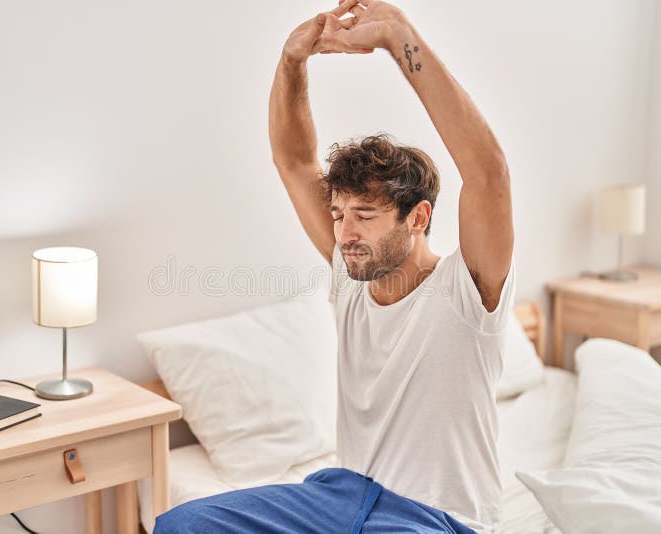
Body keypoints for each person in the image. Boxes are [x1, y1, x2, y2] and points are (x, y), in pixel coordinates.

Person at [155, 1, 514, 532]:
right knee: (183, 524)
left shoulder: (468, 291)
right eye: (339, 213)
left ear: (418, 217)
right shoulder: (352, 270)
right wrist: (291, 61)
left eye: (364, 215)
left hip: (438, 517)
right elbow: (295, 161)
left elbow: (487, 173)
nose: (344, 233)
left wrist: (400, 39)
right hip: (341, 496)